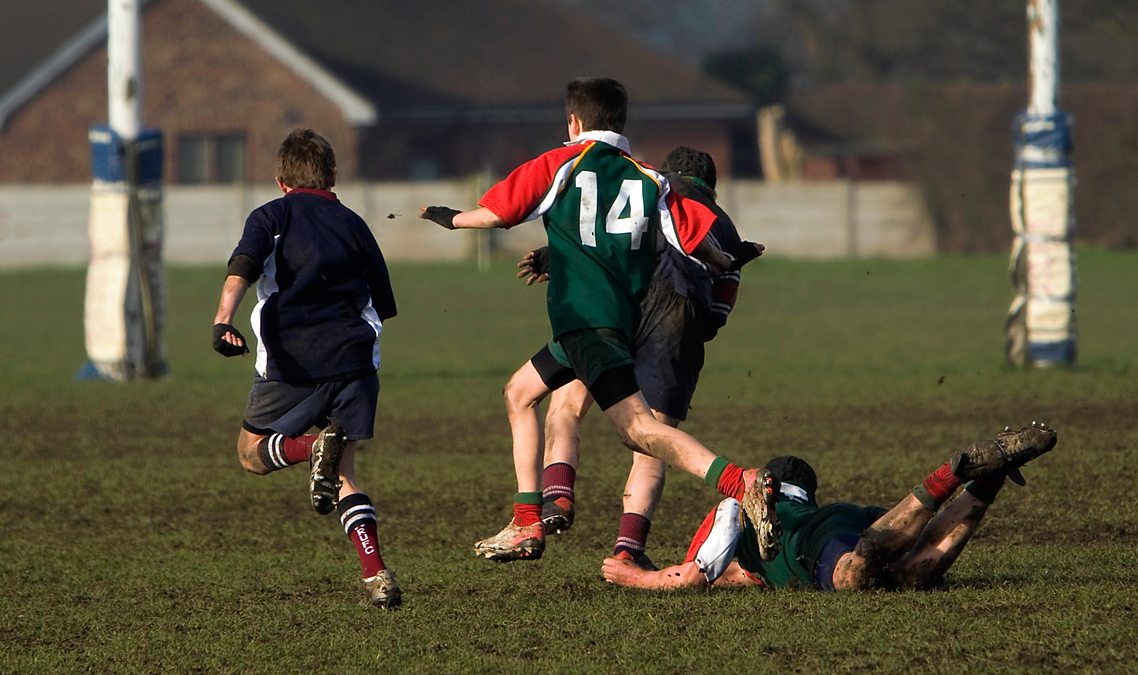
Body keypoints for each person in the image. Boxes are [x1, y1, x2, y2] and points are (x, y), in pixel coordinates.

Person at [418, 77, 778, 564]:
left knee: (639, 432)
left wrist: (453, 218)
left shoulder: (559, 162)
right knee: (519, 392)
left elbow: (499, 213)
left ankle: (741, 481)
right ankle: (527, 519)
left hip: (585, 323)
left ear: (573, 121)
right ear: (621, 121)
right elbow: (697, 242)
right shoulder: (651, 179)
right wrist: (730, 258)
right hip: (613, 324)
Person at [517, 147, 754, 570]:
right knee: (652, 444)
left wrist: (552, 256)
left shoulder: (649, 191)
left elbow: (600, 241)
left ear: (667, 171)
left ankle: (558, 496)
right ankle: (628, 549)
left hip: (618, 308)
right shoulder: (724, 226)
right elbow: (719, 311)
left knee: (566, 406)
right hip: (677, 322)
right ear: (712, 188)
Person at [211, 128, 401, 609]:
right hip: (356, 360)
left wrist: (222, 320)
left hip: (293, 360)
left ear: (281, 181)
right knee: (344, 472)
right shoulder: (354, 223)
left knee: (251, 453)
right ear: (333, 175)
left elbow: (243, 266)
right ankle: (376, 574)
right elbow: (384, 302)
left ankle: (310, 446)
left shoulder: (270, 216)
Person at [601, 422, 1057, 591]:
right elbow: (737, 576)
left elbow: (694, 575)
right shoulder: (822, 510)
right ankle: (988, 477)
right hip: (852, 518)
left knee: (852, 575)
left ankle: (950, 475)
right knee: (910, 571)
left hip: (812, 544)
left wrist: (635, 576)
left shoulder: (736, 506)